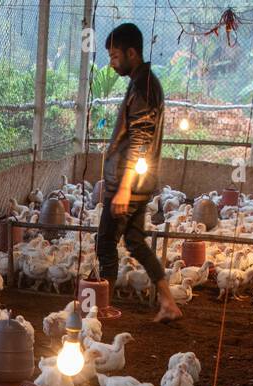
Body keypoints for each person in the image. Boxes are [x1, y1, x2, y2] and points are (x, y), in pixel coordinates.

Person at [97, 23, 182, 323]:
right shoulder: (141, 83)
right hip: (139, 182)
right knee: (134, 241)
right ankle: (168, 301)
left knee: (106, 241)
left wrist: (123, 188)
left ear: (132, 53)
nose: (112, 62)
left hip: (128, 182)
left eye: (116, 55)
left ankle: (102, 311)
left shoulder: (144, 87)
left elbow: (140, 142)